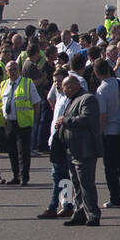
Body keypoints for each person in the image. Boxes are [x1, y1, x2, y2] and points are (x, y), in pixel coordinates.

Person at [54, 74, 102, 227]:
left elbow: (87, 119)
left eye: (64, 87)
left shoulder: (88, 99)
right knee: (76, 184)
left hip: (84, 149)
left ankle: (93, 214)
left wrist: (65, 120)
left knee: (86, 183)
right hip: (72, 149)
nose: (63, 91)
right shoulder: (73, 99)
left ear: (72, 86)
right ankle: (79, 213)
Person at [37, 68, 78, 220]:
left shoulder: (69, 98)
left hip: (63, 140)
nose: (57, 84)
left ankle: (53, 205)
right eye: (55, 82)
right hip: (55, 139)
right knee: (63, 175)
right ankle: (67, 205)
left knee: (57, 174)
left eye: (60, 82)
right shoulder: (58, 95)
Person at [95, 58, 120, 208]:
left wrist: (98, 133)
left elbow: (102, 114)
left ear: (97, 73)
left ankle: (115, 198)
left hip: (110, 131)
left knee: (111, 167)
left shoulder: (101, 89)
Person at [0, 59, 37, 185]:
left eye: (15, 69)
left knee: (23, 152)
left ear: (19, 70)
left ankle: (24, 177)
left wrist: (31, 118)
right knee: (12, 151)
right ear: (6, 72)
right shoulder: (3, 84)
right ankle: (16, 176)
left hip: (23, 123)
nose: (12, 72)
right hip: (9, 122)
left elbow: (36, 103)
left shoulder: (27, 83)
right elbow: (0, 104)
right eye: (10, 70)